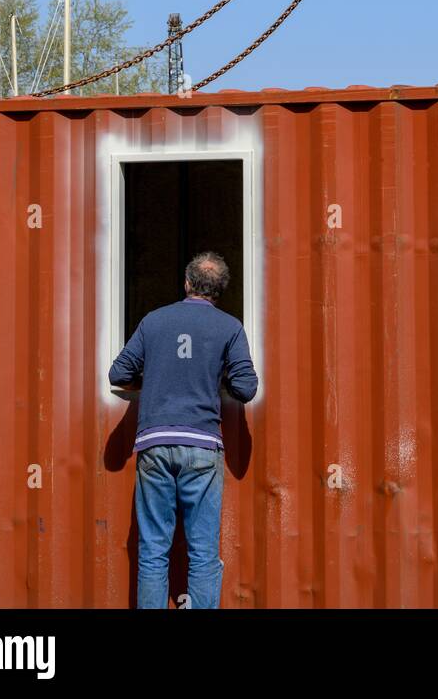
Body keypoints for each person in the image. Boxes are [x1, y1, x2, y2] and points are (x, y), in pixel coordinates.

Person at [109, 250, 258, 609]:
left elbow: (118, 374)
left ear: (187, 283)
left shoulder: (154, 321)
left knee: (153, 551)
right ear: (219, 290)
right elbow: (247, 388)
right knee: (203, 552)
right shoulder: (230, 327)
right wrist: (216, 375)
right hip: (202, 445)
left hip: (155, 443)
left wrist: (156, 376)